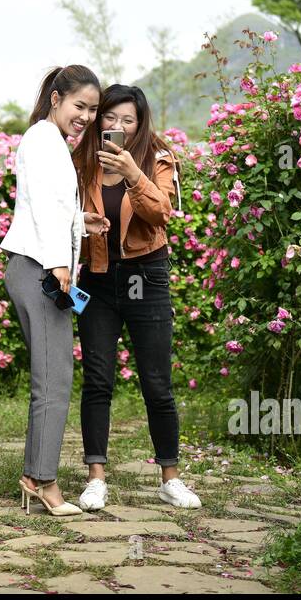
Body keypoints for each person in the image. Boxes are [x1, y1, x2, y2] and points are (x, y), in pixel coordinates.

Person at [70, 84, 201, 510]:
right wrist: (80, 222)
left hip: (147, 275)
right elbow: (63, 212)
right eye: (110, 118)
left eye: (128, 120)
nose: (117, 126)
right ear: (99, 118)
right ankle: (96, 478)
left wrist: (131, 172)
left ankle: (170, 477)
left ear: (140, 124)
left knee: (157, 382)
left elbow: (161, 212)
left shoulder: (158, 159)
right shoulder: (80, 160)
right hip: (97, 279)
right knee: (98, 379)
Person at [0, 64, 104, 516]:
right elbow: (42, 203)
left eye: (93, 110)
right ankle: (40, 479)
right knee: (54, 380)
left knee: (54, 377)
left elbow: (48, 205)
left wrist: (82, 222)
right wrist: (60, 263)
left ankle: (37, 473)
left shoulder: (50, 142)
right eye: (79, 105)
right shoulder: (44, 139)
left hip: (37, 265)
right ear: (57, 98)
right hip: (40, 268)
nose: (85, 116)